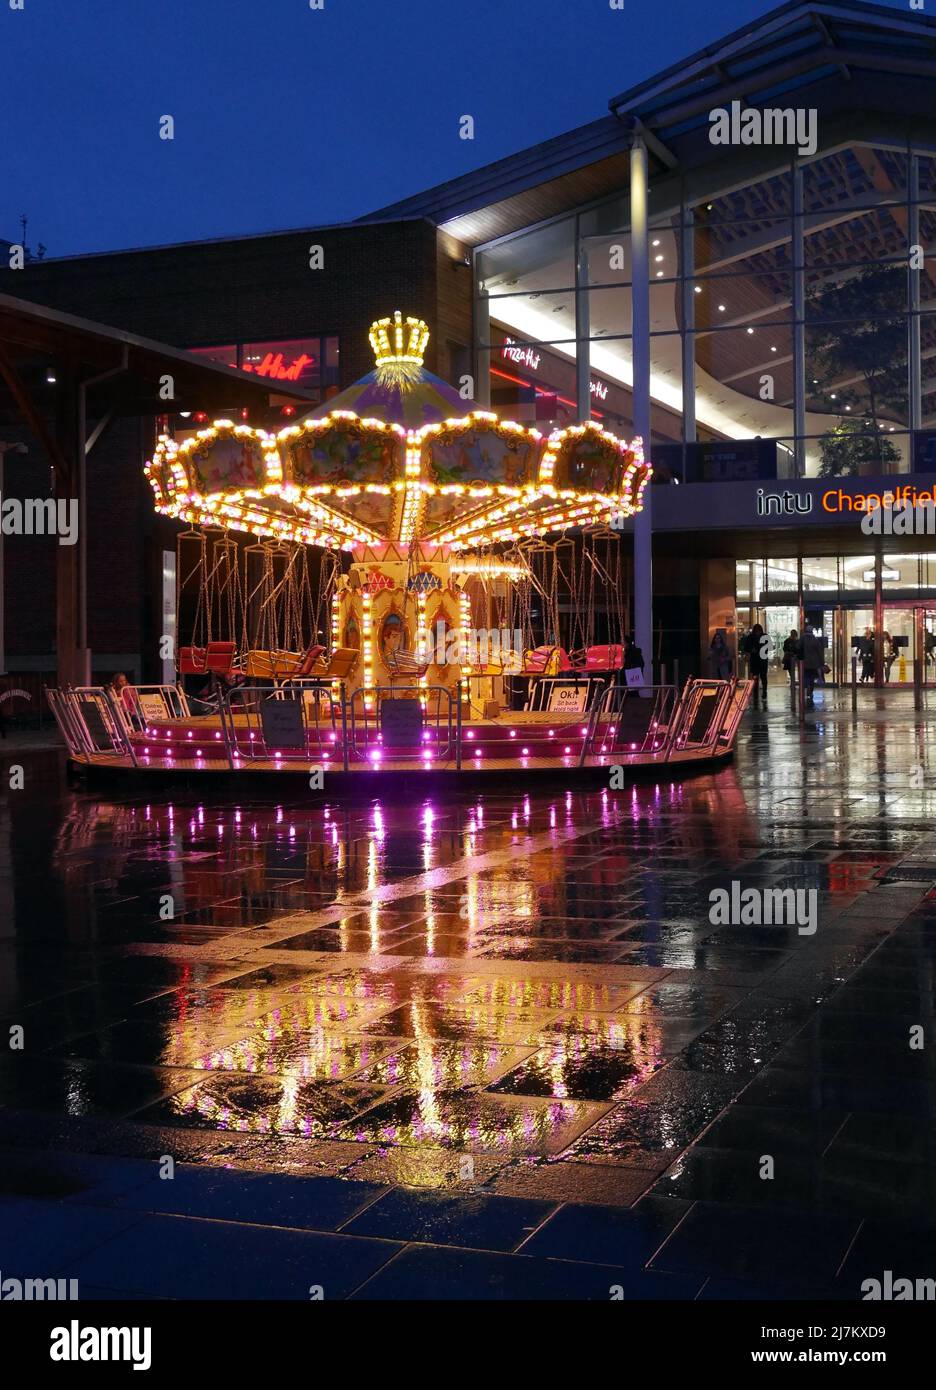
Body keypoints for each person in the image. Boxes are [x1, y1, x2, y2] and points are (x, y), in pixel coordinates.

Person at [742, 622, 769, 705]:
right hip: (757, 660)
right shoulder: (752, 637)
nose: (758, 632)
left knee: (762, 677)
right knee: (757, 677)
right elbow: (746, 648)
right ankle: (757, 693)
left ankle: (763, 692)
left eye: (759, 630)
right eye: (757, 631)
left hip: (760, 659)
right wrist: (751, 650)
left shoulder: (753, 637)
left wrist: (752, 650)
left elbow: (768, 647)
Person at [798, 627, 824, 707]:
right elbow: (819, 651)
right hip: (813, 662)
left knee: (806, 676)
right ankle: (810, 690)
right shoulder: (815, 639)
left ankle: (806, 688)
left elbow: (798, 647)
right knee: (812, 678)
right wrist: (821, 661)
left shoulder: (802, 639)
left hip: (805, 662)